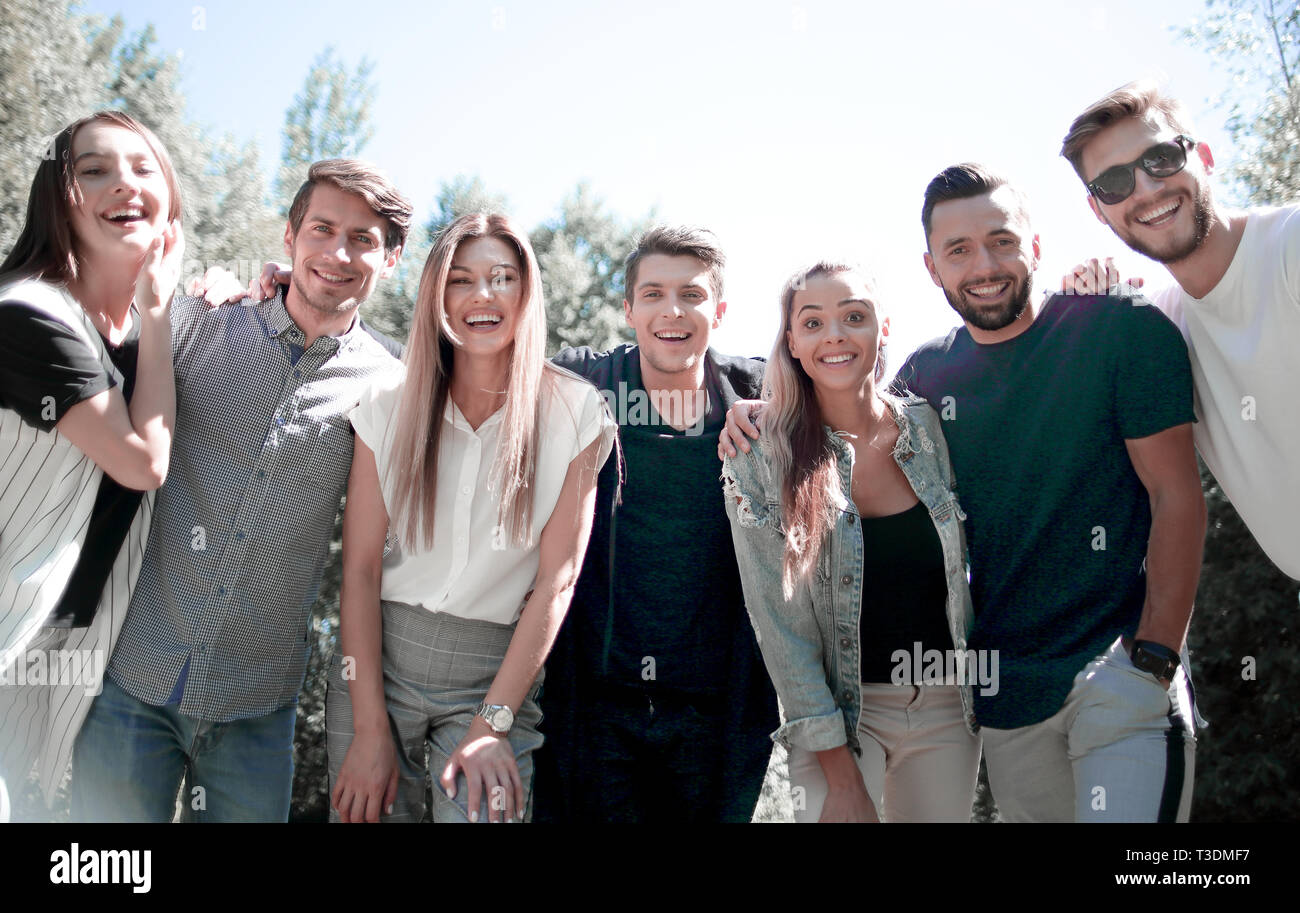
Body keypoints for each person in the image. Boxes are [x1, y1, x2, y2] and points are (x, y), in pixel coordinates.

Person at [723, 165, 1206, 822]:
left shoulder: (1114, 330)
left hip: (1114, 675)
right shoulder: (931, 381)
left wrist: (1155, 654)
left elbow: (1176, 493)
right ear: (932, 268)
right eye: (959, 250)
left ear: (1036, 244)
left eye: (1002, 240)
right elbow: (838, 410)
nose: (984, 264)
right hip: (1006, 703)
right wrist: (755, 413)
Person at [68, 158, 413, 822]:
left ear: (390, 260)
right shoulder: (200, 320)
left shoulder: (391, 386)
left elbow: (366, 562)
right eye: (322, 229)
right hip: (130, 677)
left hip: (257, 706)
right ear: (289, 237)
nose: (337, 253)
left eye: (364, 239)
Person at [326, 212, 614, 823]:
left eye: (501, 278)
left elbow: (556, 580)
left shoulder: (577, 412)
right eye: (460, 280)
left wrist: (493, 724)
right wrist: (371, 729)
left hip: (494, 679)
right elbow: (358, 571)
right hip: (377, 667)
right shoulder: (386, 405)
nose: (481, 295)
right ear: (437, 296)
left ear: (525, 292)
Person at [534, 225, 778, 822]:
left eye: (692, 295)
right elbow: (461, 365)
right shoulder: (584, 382)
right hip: (593, 711)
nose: (672, 311)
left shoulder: (756, 390)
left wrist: (780, 409)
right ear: (628, 308)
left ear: (718, 310)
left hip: (715, 716)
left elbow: (860, 392)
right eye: (653, 294)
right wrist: (310, 306)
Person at [721, 261, 980, 823]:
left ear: (882, 328)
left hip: (946, 708)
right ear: (791, 342)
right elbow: (778, 622)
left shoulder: (931, 430)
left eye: (854, 316)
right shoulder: (760, 453)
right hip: (835, 719)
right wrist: (839, 773)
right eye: (812, 323)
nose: (834, 335)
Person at [0, 111, 184, 819]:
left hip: (61, 651)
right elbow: (143, 462)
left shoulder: (140, 340)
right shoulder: (30, 316)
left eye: (143, 168)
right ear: (58, 196)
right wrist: (163, 312)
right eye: (95, 169)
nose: (124, 184)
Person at [1060, 79, 1300, 580]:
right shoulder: (1160, 330)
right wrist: (1082, 308)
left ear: (1205, 157)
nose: (1147, 189)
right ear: (1098, 209)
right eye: (1114, 183)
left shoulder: (1289, 249)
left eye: (1161, 158)